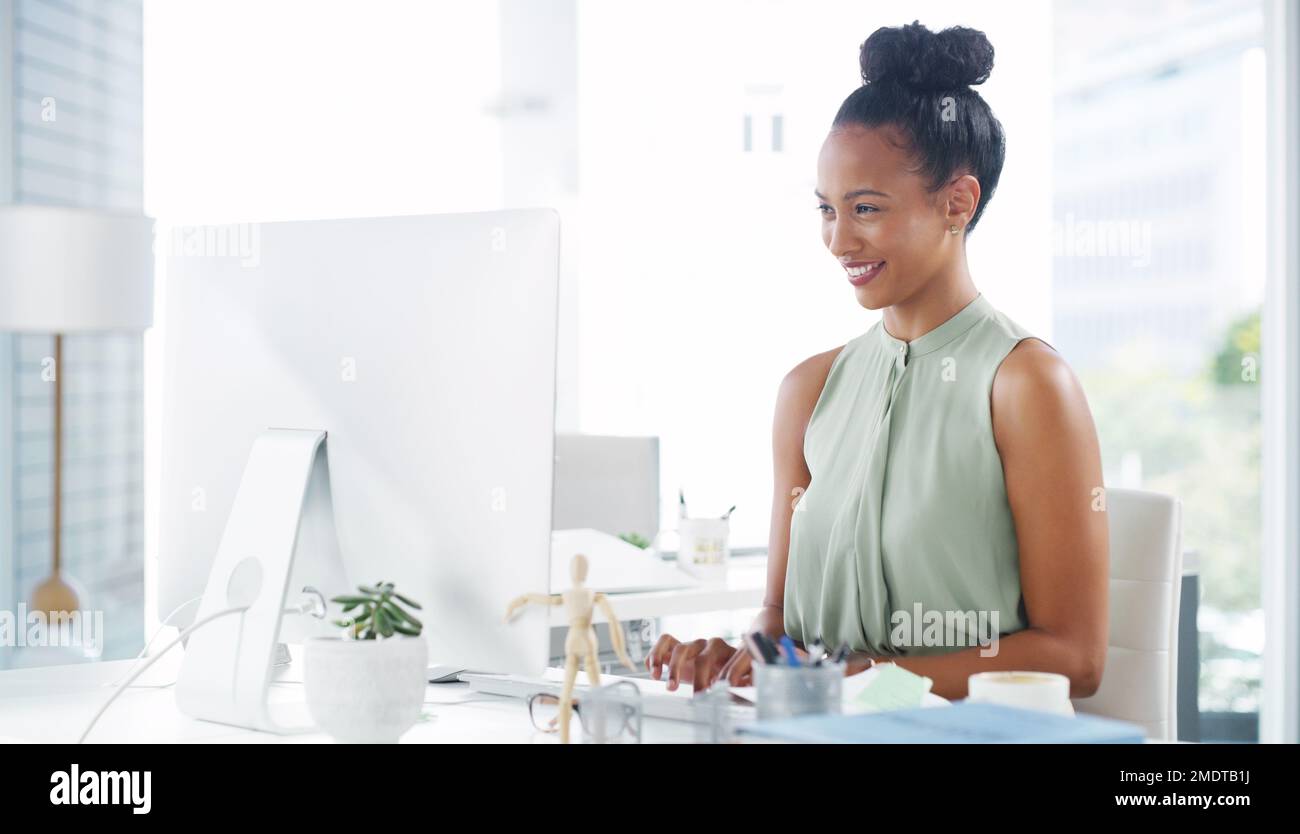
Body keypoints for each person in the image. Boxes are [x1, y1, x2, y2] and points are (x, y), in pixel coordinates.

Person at [646, 21, 1109, 701]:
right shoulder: (809, 389)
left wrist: (871, 678)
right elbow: (781, 625)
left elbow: (1075, 655)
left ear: (958, 202)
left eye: (865, 208)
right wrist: (735, 659)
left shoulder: (1026, 383)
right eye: (827, 210)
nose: (838, 240)